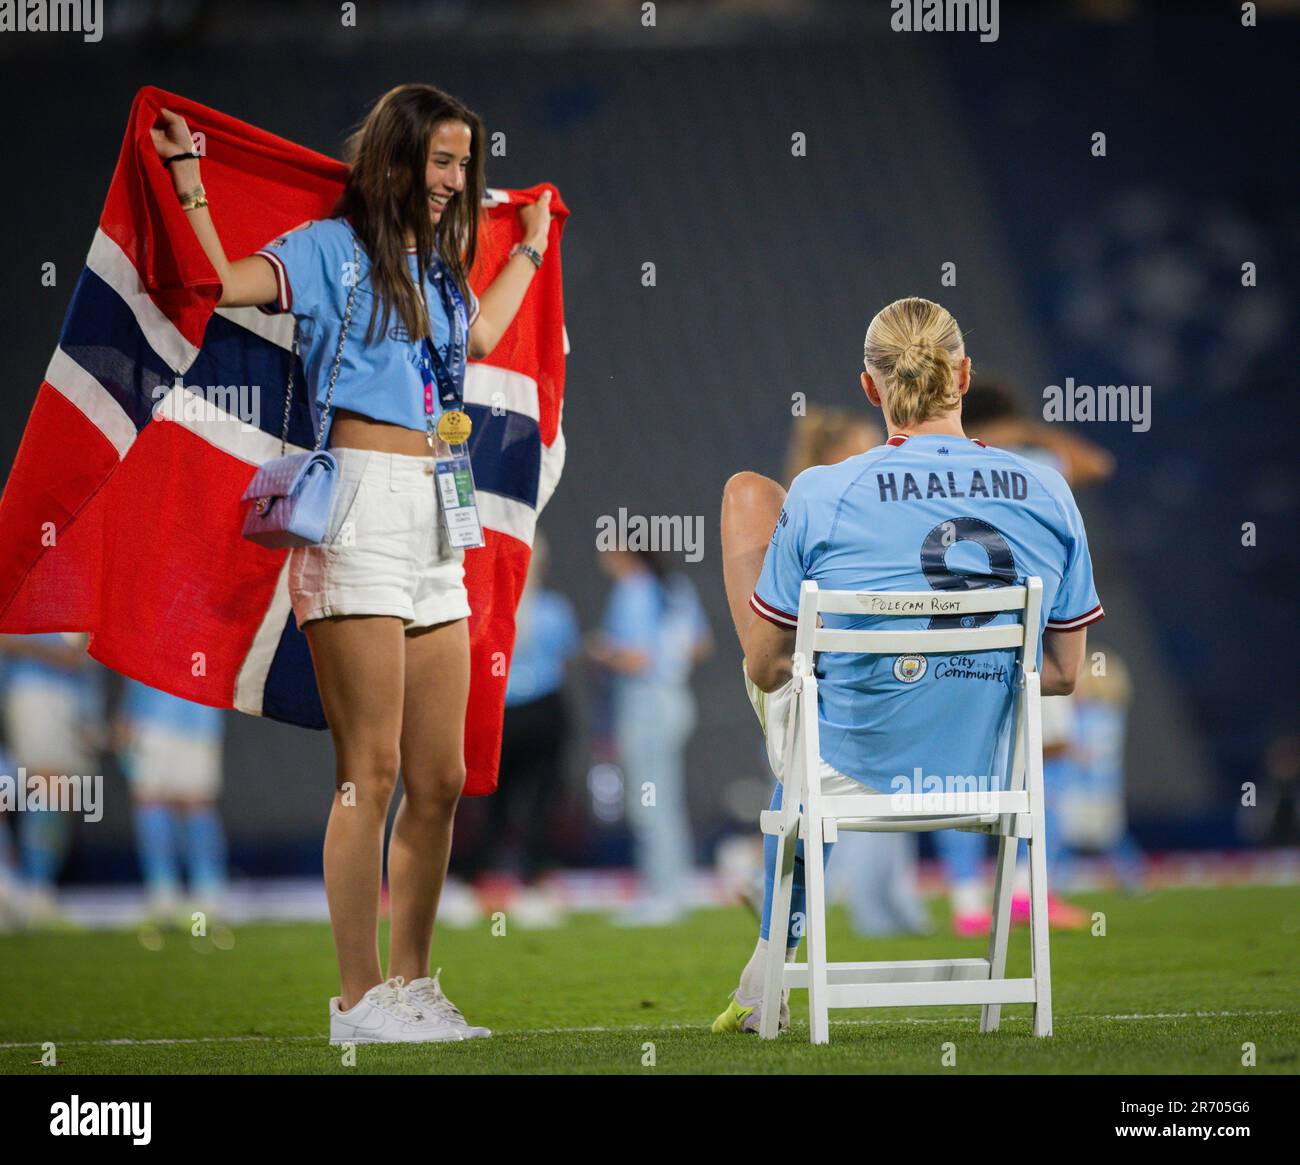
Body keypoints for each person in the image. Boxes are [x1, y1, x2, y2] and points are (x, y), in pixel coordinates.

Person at [152, 83, 552, 1044]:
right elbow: (226, 285)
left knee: (441, 777)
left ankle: (415, 986)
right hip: (358, 509)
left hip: (435, 521)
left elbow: (483, 339)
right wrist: (189, 178)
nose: (456, 181)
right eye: (441, 161)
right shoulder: (328, 250)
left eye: (466, 165)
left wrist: (531, 246)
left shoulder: (447, 272)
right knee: (365, 773)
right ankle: (358, 1001)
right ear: (398, 158)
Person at [712, 296, 1104, 1034]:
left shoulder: (823, 490)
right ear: (964, 374)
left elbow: (767, 667)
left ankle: (772, 953)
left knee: (747, 496)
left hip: (847, 766)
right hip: (988, 770)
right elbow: (1060, 674)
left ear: (871, 387)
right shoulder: (1048, 486)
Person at [459, 531, 579, 928]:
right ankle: (531, 881)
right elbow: (564, 657)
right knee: (540, 800)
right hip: (541, 709)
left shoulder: (487, 607)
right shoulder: (553, 609)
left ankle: (484, 882)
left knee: (495, 801)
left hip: (505, 710)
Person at [590, 550, 712, 925]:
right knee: (666, 798)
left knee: (648, 800)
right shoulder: (675, 587)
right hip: (676, 697)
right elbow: (700, 645)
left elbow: (638, 658)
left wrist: (602, 651)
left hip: (645, 700)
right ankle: (673, 888)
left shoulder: (632, 590)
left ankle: (662, 894)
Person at [0, 632, 100, 929]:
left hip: (75, 695)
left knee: (65, 793)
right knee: (48, 783)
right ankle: (31, 893)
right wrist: (54, 653)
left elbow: (81, 651)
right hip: (35, 689)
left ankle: (35, 889)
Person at [114, 679, 229, 926]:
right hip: (190, 714)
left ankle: (177, 895)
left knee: (166, 802)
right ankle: (197, 894)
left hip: (167, 716)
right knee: (181, 803)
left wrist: (128, 712)